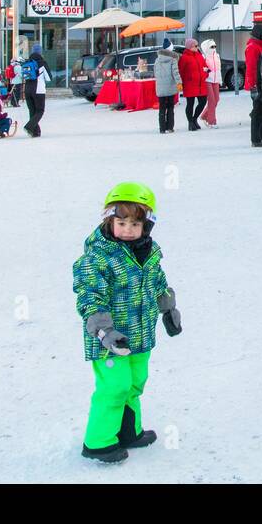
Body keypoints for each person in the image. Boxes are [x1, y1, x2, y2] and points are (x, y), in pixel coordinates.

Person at [72, 182, 181, 464]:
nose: (128, 230)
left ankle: (129, 432)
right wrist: (104, 330)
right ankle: (98, 441)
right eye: (121, 223)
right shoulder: (97, 257)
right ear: (109, 221)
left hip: (141, 333)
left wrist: (168, 307)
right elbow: (89, 294)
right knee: (114, 386)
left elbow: (158, 281)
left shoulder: (149, 252)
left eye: (135, 224)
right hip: (110, 340)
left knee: (134, 384)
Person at [244, 23, 262, 147]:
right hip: (256, 85)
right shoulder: (253, 47)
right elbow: (251, 68)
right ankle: (256, 139)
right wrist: (253, 86)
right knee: (258, 112)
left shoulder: (259, 46)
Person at [178, 39, 207, 132]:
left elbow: (205, 67)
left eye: (197, 45)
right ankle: (190, 122)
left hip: (201, 83)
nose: (197, 47)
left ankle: (194, 119)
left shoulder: (199, 56)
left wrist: (205, 75)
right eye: (195, 45)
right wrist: (182, 82)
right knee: (190, 104)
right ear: (190, 47)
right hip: (190, 84)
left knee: (203, 102)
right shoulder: (184, 57)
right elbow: (180, 71)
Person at [153, 39, 181, 133]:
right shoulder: (173, 59)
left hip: (160, 88)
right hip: (170, 87)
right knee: (170, 107)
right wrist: (179, 83)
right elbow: (175, 72)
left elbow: (155, 73)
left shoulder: (157, 60)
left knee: (162, 108)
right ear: (170, 48)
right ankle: (169, 127)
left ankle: (162, 128)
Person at [24, 44, 50, 137]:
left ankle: (35, 132)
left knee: (32, 111)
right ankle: (29, 126)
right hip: (38, 89)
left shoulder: (27, 62)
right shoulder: (42, 63)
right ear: (40, 52)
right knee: (40, 110)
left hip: (27, 89)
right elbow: (48, 78)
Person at [199, 39, 221, 127]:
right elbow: (202, 67)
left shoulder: (217, 56)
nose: (214, 48)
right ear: (206, 48)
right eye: (212, 46)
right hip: (207, 80)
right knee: (211, 100)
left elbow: (219, 68)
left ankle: (204, 115)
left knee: (217, 99)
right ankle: (211, 121)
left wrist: (220, 79)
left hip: (216, 80)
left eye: (215, 46)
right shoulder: (203, 56)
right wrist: (206, 70)